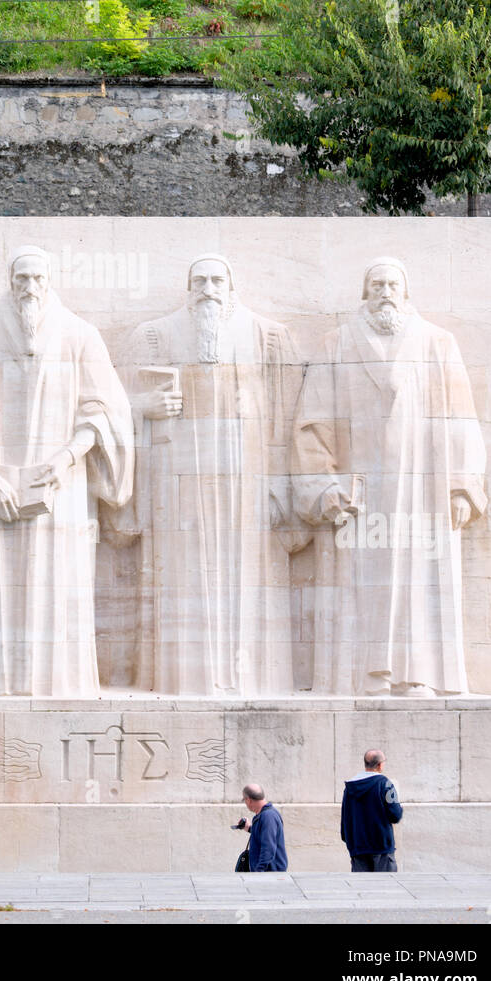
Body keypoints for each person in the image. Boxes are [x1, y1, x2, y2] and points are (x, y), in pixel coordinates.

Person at [0, 244, 134, 696]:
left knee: (59, 590)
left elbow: (102, 410)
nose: (30, 287)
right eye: (22, 278)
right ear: (10, 281)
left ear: (50, 281)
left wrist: (66, 460)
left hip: (62, 486)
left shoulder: (81, 335)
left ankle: (60, 684)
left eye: (38, 278)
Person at [291, 256, 486, 696]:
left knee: (420, 580)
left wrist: (462, 487)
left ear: (405, 292)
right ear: (365, 293)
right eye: (376, 284)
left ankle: (419, 675)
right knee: (359, 583)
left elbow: (461, 420)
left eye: (392, 284)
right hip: (360, 495)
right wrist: (324, 486)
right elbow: (311, 425)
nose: (384, 292)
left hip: (423, 492)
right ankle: (362, 677)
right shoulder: (336, 345)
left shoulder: (438, 344)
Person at [120, 254, 298, 696]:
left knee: (250, 576)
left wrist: (280, 480)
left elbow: (288, 416)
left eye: (218, 280)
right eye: (199, 280)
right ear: (188, 287)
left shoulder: (267, 336)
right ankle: (183, 677)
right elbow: (111, 401)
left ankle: (250, 678)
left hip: (248, 478)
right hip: (176, 477)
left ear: (231, 285)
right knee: (182, 569)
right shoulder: (155, 336)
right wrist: (144, 408)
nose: (208, 288)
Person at [341, 749, 403, 872]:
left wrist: (348, 838)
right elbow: (395, 815)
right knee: (386, 886)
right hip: (381, 845)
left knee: (362, 888)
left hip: (358, 846)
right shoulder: (385, 784)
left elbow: (345, 816)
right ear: (380, 765)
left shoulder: (350, 787)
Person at [233, 783, 288, 872]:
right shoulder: (265, 815)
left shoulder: (268, 817)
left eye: (245, 800)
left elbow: (268, 848)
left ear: (249, 800)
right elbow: (265, 836)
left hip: (269, 876)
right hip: (267, 875)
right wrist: (250, 828)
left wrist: (259, 873)